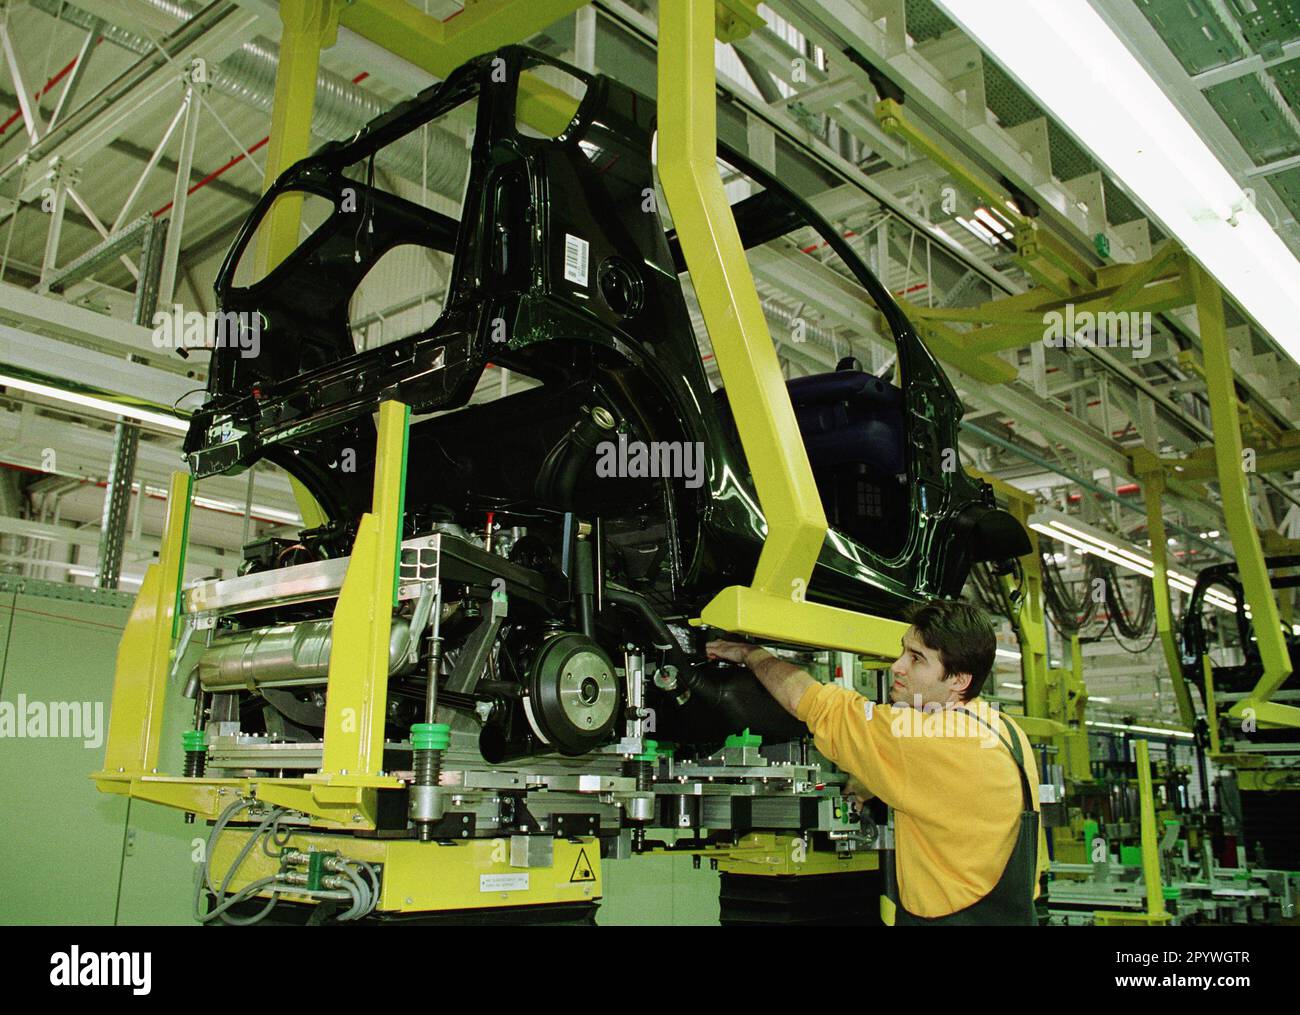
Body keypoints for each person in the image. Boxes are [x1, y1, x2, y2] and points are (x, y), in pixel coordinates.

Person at [706, 599, 1048, 925]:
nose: (897, 666)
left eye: (916, 659)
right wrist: (873, 778)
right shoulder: (1004, 729)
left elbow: (810, 703)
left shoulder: (920, 734)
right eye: (903, 651)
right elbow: (949, 790)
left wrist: (751, 653)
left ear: (959, 680)